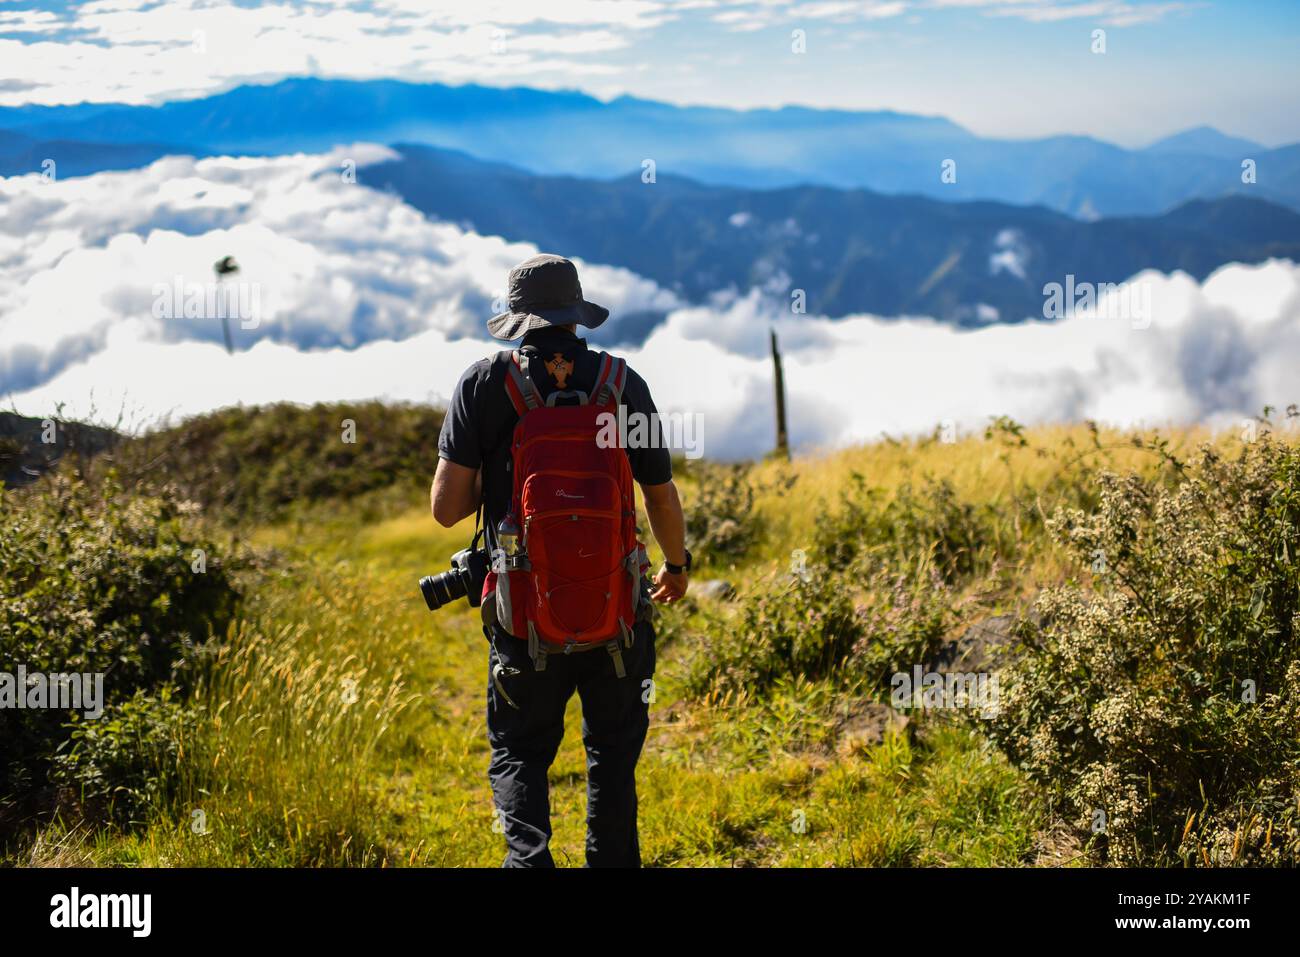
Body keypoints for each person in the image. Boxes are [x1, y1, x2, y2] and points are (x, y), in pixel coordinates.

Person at [431, 253, 691, 867]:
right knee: (612, 755)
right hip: (617, 613)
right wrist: (675, 568)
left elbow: (446, 509)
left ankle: (530, 862)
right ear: (577, 316)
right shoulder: (623, 384)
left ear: (519, 318)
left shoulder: (483, 383)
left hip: (522, 613)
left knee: (521, 752)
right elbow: (659, 492)